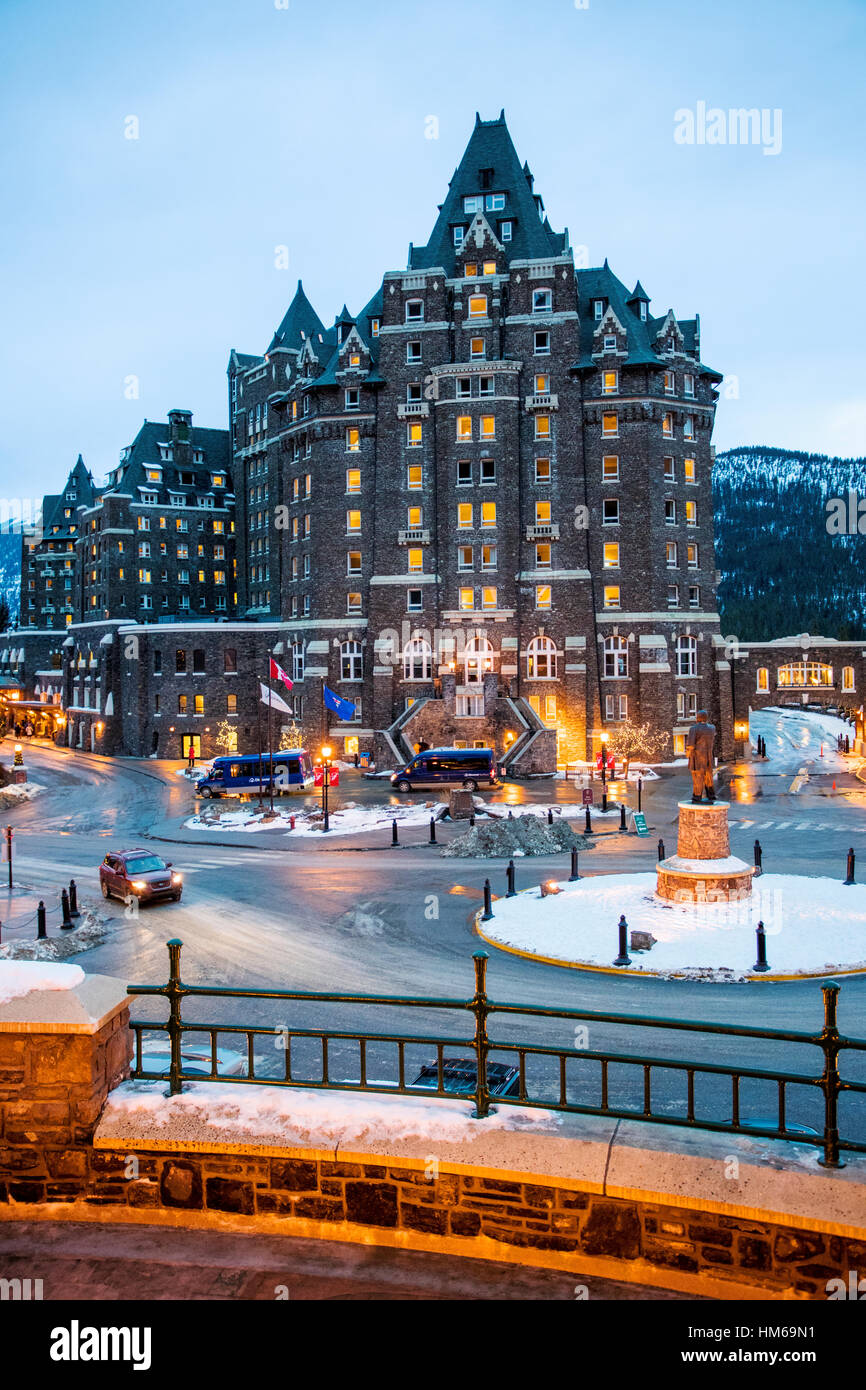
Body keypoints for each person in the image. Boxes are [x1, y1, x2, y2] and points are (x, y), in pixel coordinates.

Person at [686, 710, 716, 804]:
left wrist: (688, 755)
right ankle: (711, 795)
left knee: (698, 778)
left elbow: (690, 745)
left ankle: (697, 797)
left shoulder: (694, 729)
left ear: (697, 718)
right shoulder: (712, 728)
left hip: (698, 758)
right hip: (708, 758)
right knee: (708, 777)